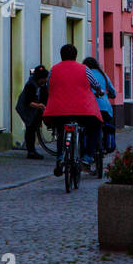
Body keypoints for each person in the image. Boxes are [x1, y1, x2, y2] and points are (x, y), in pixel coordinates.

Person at [42, 43, 101, 176]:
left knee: (60, 129)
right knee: (96, 126)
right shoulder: (84, 69)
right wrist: (99, 91)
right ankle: (87, 158)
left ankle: (60, 158)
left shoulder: (53, 70)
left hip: (58, 110)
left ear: (61, 56)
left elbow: (48, 86)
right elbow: (95, 84)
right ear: (76, 56)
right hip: (83, 111)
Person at [83, 56, 117, 154]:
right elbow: (113, 92)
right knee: (107, 123)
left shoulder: (84, 74)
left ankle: (87, 151)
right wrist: (109, 94)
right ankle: (106, 144)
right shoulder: (103, 75)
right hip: (105, 109)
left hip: (89, 108)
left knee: (88, 128)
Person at [15, 65, 49, 159]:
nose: (45, 80)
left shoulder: (42, 85)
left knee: (33, 127)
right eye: (44, 79)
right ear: (39, 78)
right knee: (30, 127)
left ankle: (32, 150)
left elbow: (45, 96)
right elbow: (28, 102)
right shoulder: (31, 85)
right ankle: (31, 151)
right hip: (26, 109)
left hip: (35, 108)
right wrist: (40, 106)